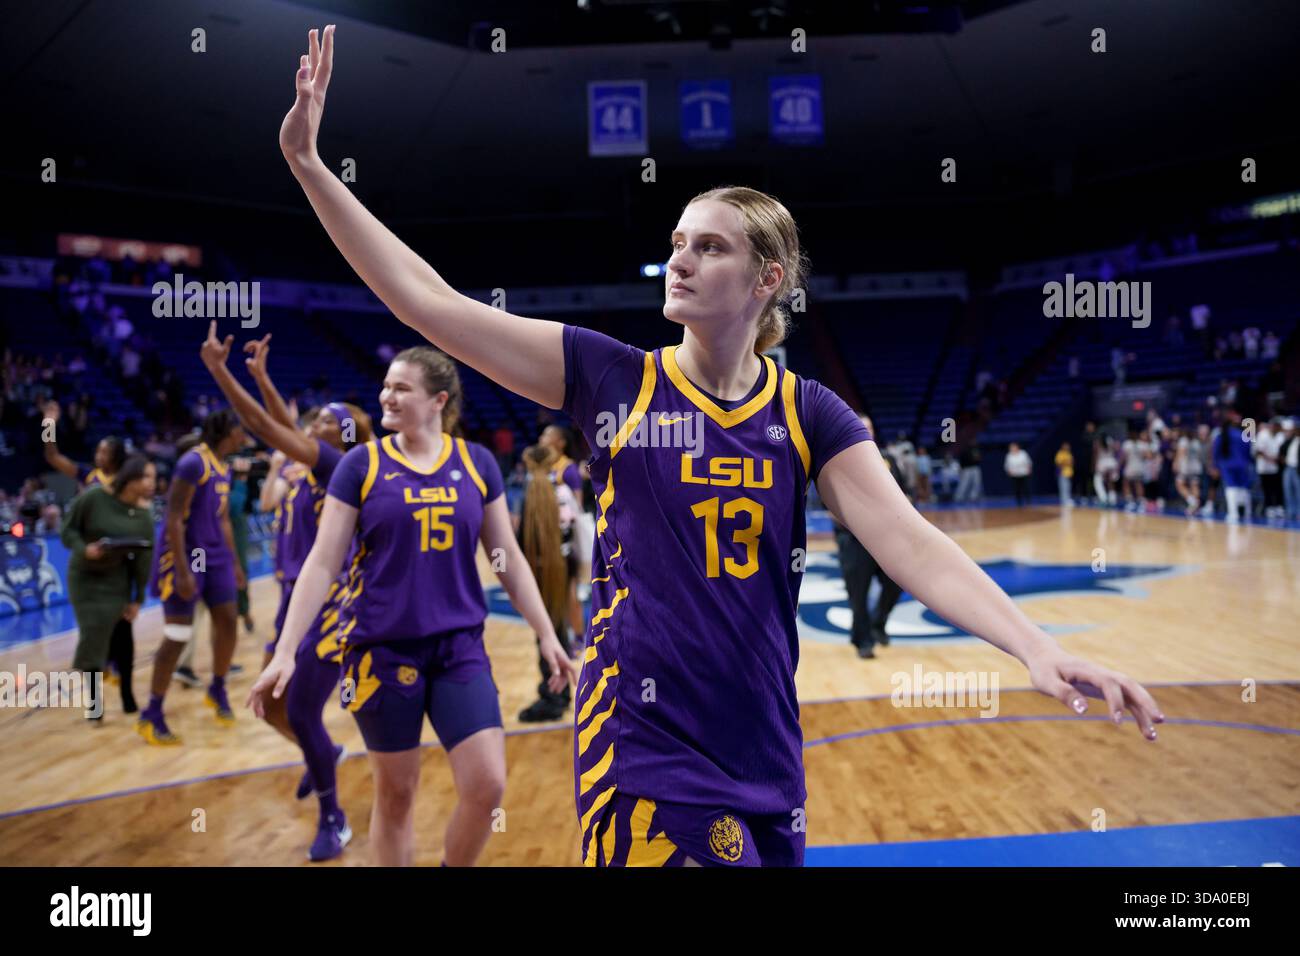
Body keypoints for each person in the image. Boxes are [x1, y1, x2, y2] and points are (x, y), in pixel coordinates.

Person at [273, 24, 1164, 867]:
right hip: (640, 735)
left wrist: (1034, 647)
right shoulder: (609, 376)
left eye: (708, 247)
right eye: (675, 244)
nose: (681, 260)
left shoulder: (809, 412)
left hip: (765, 740)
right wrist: (311, 166)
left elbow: (911, 543)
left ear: (768, 278)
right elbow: (428, 303)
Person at [249, 346, 574, 867]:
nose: (387, 396)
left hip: (459, 648)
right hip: (381, 650)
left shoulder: (476, 462)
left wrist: (546, 633)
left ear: (437, 401)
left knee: (488, 784)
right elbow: (322, 563)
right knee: (396, 795)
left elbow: (505, 554)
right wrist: (286, 650)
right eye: (386, 386)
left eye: (401, 388)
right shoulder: (361, 464)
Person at [200, 324, 372, 861]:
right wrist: (261, 375)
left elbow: (261, 424)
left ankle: (334, 819)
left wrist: (219, 371)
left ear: (342, 435)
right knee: (271, 708)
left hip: (335, 606)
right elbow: (280, 425)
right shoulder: (309, 465)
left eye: (325, 419)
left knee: (299, 712)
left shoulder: (338, 466)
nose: (313, 422)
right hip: (296, 601)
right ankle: (325, 753)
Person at [136, 410, 248, 745]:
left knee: (228, 620)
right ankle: (152, 711)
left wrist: (236, 563)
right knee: (178, 635)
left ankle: (217, 686)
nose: (245, 436)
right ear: (228, 431)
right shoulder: (193, 463)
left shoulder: (224, 466)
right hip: (187, 555)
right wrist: (183, 571)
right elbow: (172, 518)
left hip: (213, 556)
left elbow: (224, 519)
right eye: (241, 429)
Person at [60, 455, 156, 719]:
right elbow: (67, 531)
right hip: (85, 578)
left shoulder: (144, 517)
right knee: (93, 633)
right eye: (147, 476)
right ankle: (94, 703)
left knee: (123, 635)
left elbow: (144, 562)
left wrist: (138, 599)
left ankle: (127, 691)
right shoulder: (93, 499)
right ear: (132, 478)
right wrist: (84, 549)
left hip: (118, 579)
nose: (153, 483)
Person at [515, 444, 580, 721]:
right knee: (558, 627)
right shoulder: (563, 491)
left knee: (547, 632)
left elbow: (516, 540)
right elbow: (578, 526)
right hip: (565, 564)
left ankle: (553, 695)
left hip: (539, 570)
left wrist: (503, 569)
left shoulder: (529, 494)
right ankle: (560, 692)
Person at [834, 415, 904, 659]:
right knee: (858, 593)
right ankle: (863, 640)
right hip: (854, 539)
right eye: (861, 427)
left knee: (897, 583)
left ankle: (878, 623)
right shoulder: (837, 458)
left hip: (886, 539)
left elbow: (903, 493)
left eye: (870, 427)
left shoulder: (888, 459)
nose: (866, 431)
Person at [1212, 409, 1254, 524]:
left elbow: (1216, 451)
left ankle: (1233, 513)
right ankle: (1247, 513)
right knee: (1244, 488)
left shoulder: (1221, 435)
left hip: (1228, 465)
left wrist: (1215, 465)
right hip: (1243, 465)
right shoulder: (1244, 435)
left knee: (1231, 488)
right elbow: (1249, 451)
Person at [1281, 419, 1300, 522]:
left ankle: (1299, 513)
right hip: (1288, 468)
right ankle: (1290, 512)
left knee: (1298, 492)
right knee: (1288, 491)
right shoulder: (1291, 440)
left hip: (1298, 469)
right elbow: (1282, 449)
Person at [1004, 442, 1032, 506]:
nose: (1012, 448)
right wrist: (1009, 471)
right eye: (1011, 447)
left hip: (1023, 473)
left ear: (1017, 447)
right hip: (1015, 475)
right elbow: (1007, 465)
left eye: (1014, 447)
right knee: (1017, 489)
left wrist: (1029, 469)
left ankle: (1028, 501)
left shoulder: (1023, 453)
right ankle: (1019, 502)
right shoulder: (1009, 455)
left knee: (1026, 488)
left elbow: (1028, 462)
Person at [1053, 442, 1073, 507]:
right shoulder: (1060, 454)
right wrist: (1066, 463)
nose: (1067, 447)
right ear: (1063, 447)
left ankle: (1068, 500)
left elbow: (1071, 462)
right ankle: (1064, 501)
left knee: (1068, 487)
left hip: (1069, 473)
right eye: (1066, 446)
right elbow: (1058, 463)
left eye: (1068, 446)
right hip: (1062, 473)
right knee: (1063, 488)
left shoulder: (1069, 454)